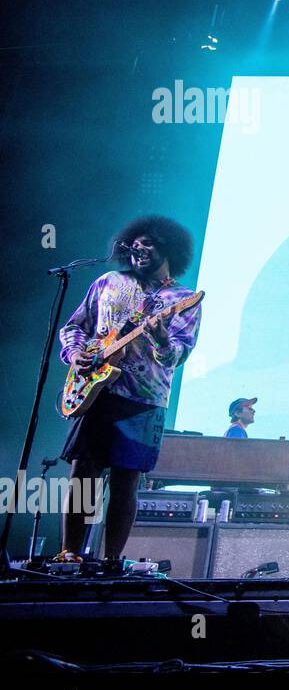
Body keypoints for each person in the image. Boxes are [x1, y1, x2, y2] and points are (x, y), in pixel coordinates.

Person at [57, 216, 202, 560]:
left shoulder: (182, 299)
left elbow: (176, 356)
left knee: (126, 481)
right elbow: (75, 327)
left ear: (168, 249)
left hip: (144, 400)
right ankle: (69, 555)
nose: (139, 247)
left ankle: (111, 562)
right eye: (134, 243)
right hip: (96, 392)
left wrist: (160, 337)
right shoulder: (108, 282)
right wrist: (76, 353)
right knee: (83, 474)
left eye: (149, 242)